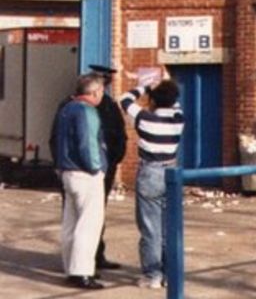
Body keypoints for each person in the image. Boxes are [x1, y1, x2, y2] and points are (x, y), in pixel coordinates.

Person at [119, 77, 185, 289]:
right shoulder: (178, 119)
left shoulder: (146, 119)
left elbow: (125, 99)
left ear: (154, 100)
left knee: (150, 228)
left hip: (150, 172)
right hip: (172, 173)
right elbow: (173, 101)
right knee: (168, 228)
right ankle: (169, 273)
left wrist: (146, 87)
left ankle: (152, 275)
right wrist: (166, 86)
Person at [52, 73, 109, 290]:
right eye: (101, 91)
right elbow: (88, 145)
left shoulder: (66, 109)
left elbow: (57, 140)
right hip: (85, 174)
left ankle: (70, 268)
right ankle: (82, 272)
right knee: (89, 225)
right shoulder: (88, 111)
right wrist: (97, 168)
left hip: (67, 171)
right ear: (94, 92)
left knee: (70, 223)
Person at [88, 64, 128, 271]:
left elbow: (119, 132)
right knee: (86, 216)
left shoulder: (110, 104)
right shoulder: (80, 105)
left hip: (107, 165)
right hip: (88, 169)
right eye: (105, 81)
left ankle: (97, 255)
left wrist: (116, 158)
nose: (108, 85)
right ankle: (84, 260)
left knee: (98, 213)